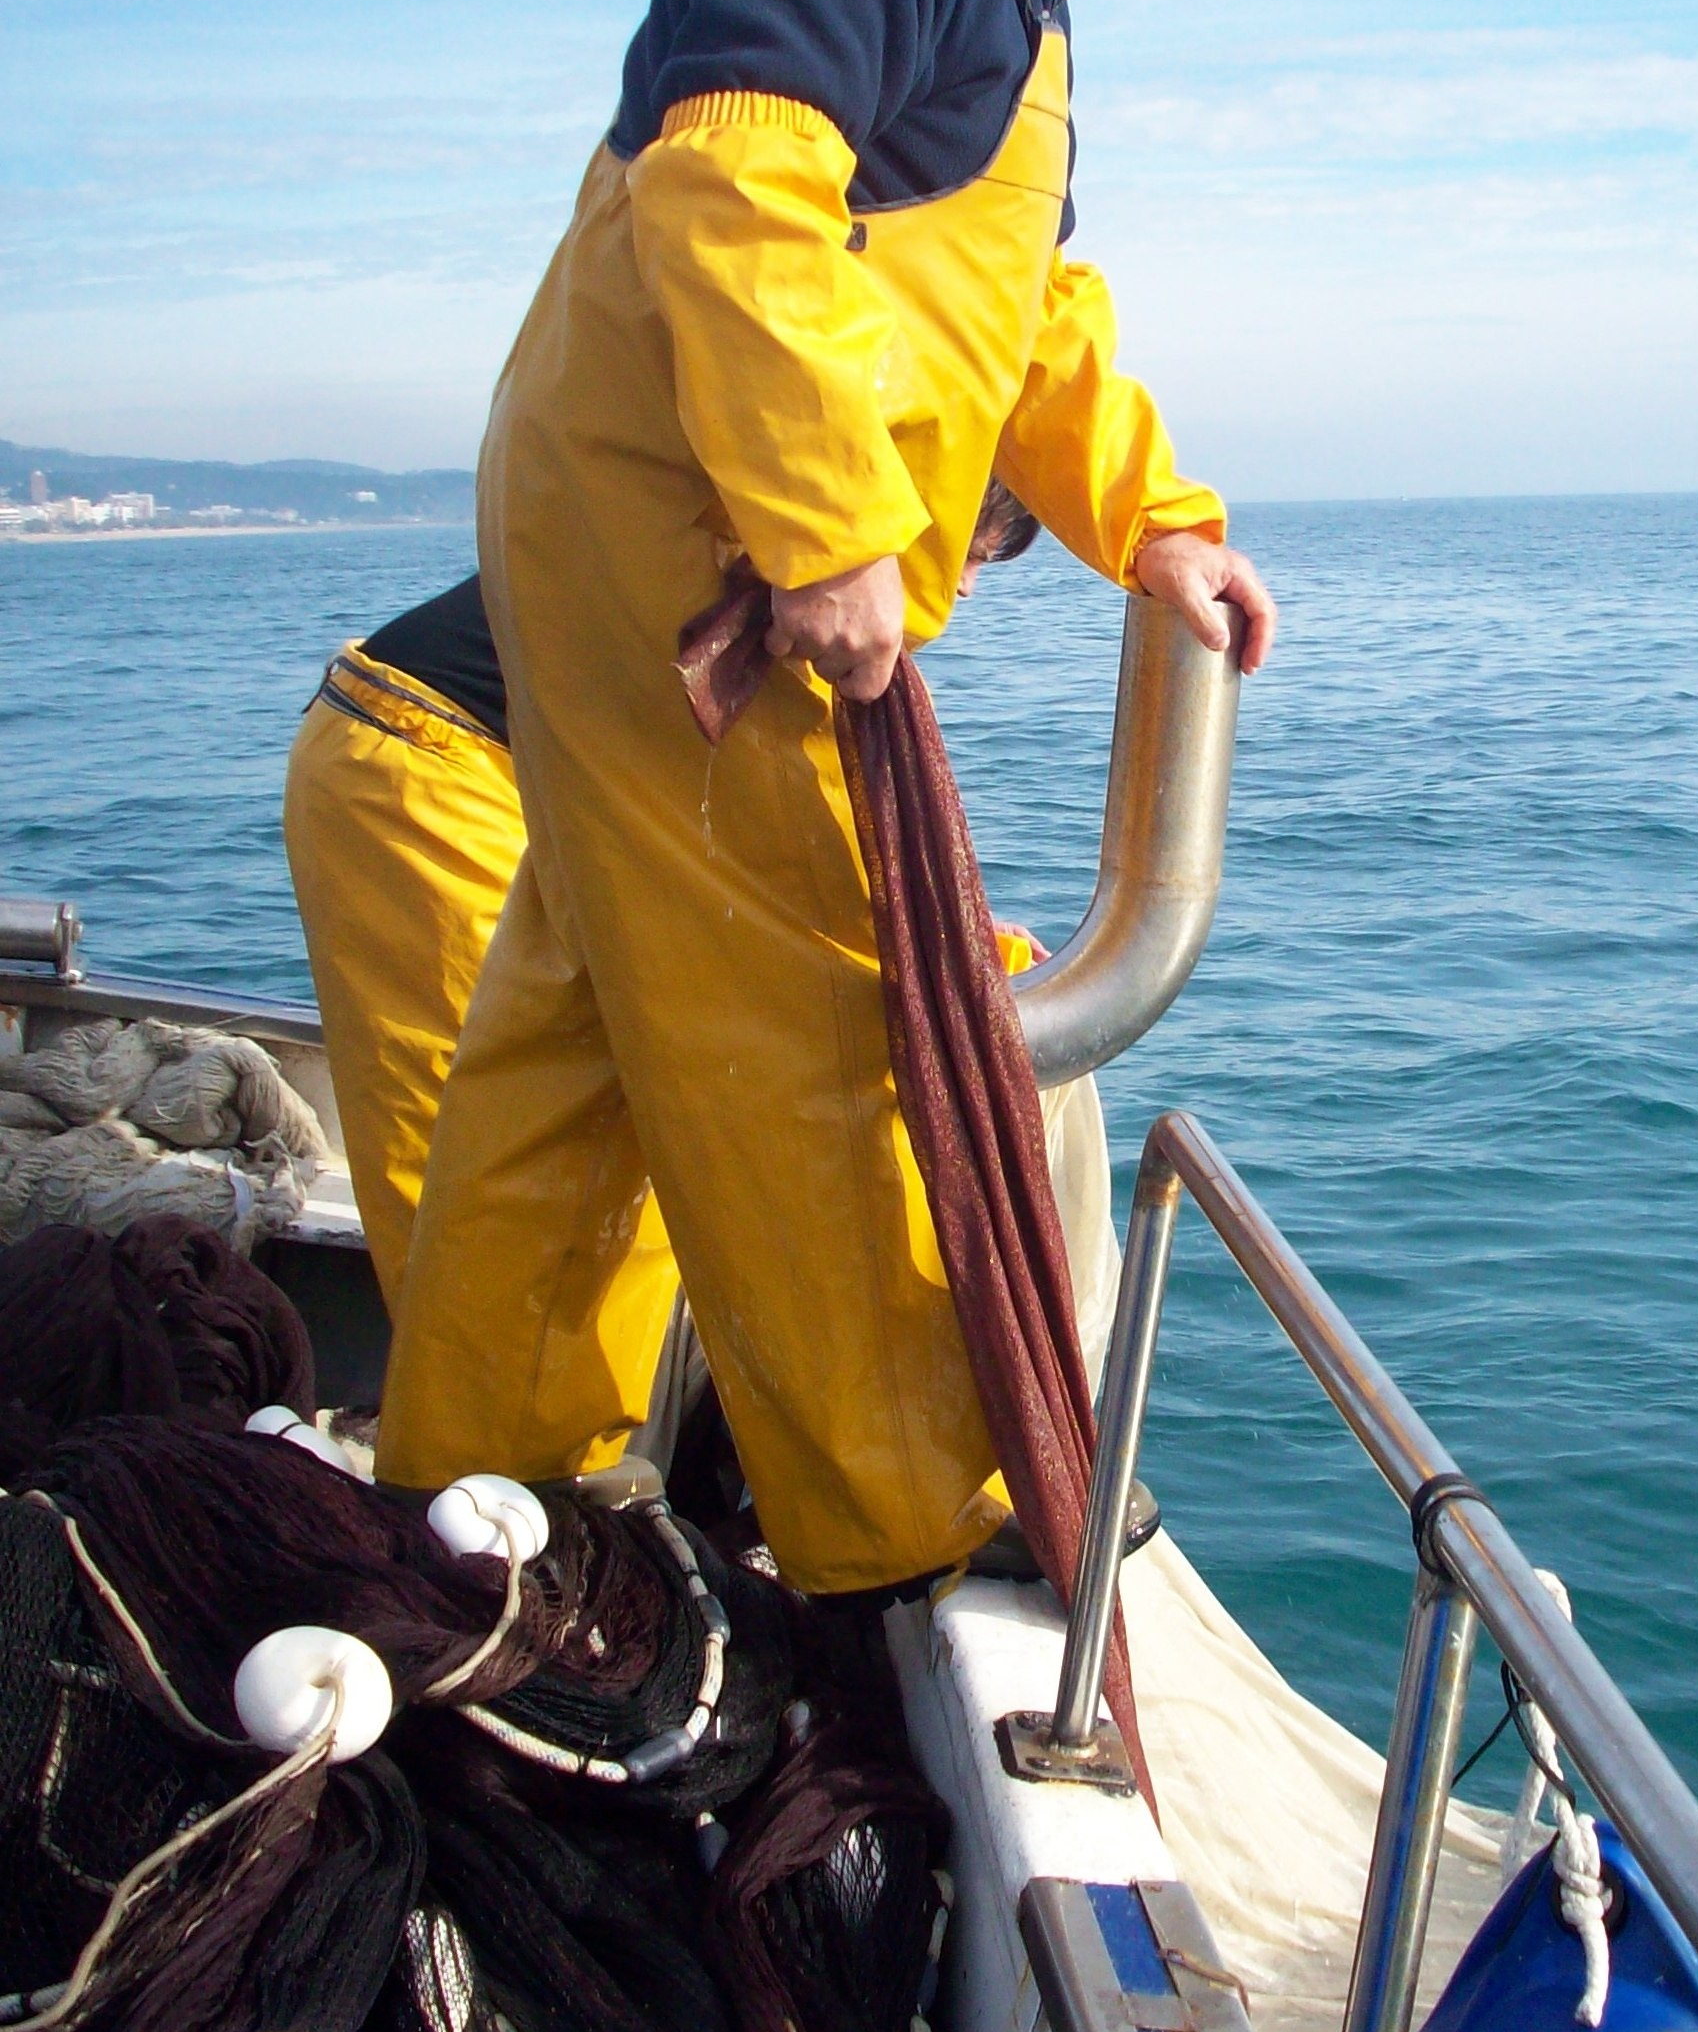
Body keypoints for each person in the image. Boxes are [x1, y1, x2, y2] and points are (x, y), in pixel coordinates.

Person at [375, 0, 1277, 1597]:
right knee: (820, 1018)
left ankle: (472, 1475)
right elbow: (729, 181)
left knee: (578, 1021)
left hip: (647, 522)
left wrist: (1153, 520)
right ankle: (906, 1526)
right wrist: (824, 529)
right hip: (692, 541)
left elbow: (1024, 313)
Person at [281, 488, 1120, 1400]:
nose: (964, 590)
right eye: (974, 553)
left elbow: (772, 813)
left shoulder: (795, 554)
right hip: (425, 768)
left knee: (599, 1174)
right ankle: (487, 1467)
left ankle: (553, 1444)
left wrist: (944, 929)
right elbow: (783, 810)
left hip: (548, 794)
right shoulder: (803, 571)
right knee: (492, 1190)